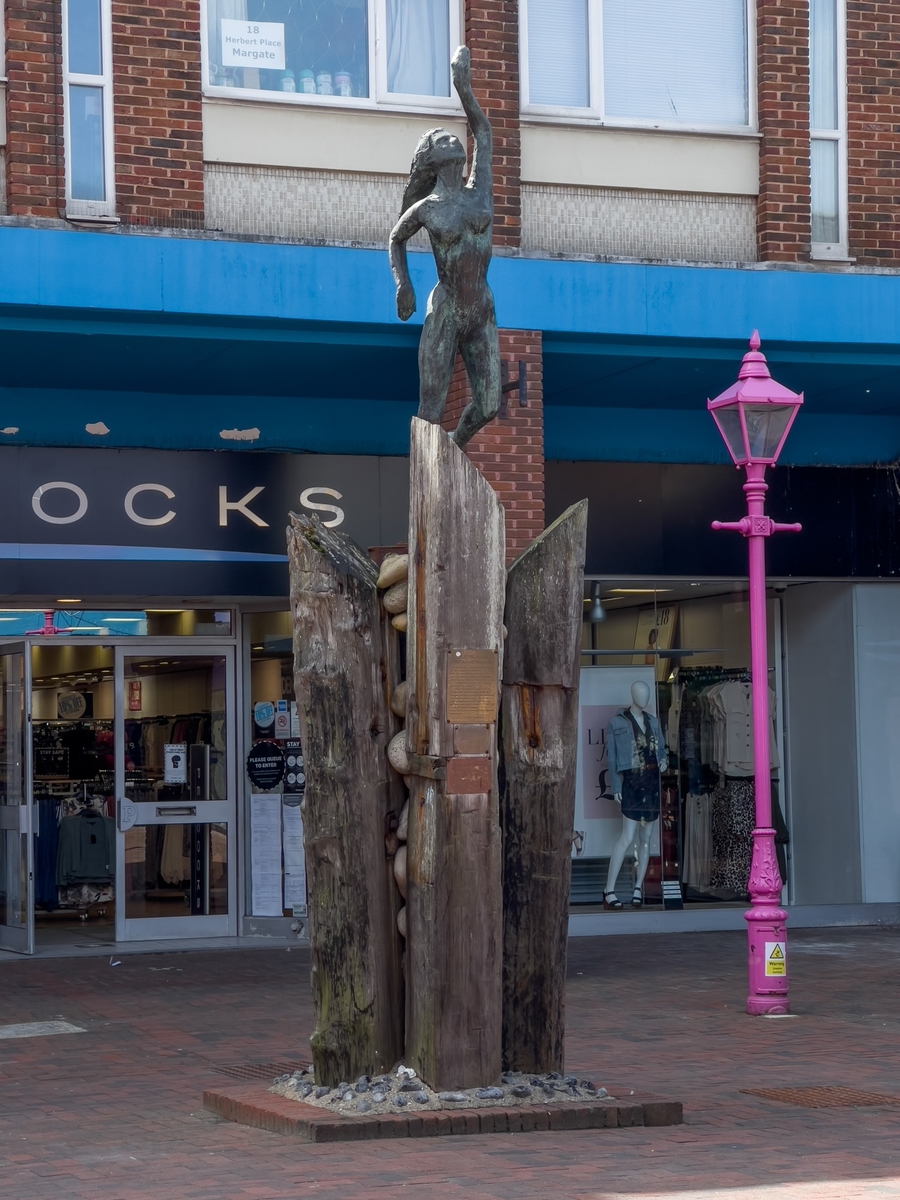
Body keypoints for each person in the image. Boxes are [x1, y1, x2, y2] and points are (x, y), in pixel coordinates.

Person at [389, 45, 500, 449]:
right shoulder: (426, 209)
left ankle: (452, 445)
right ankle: (429, 473)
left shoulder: (478, 191)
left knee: (488, 405)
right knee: (430, 409)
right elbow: (395, 238)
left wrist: (463, 88)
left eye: (452, 136)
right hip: (448, 310)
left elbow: (484, 133)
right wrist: (404, 285)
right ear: (430, 160)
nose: (451, 138)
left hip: (481, 307)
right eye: (440, 139)